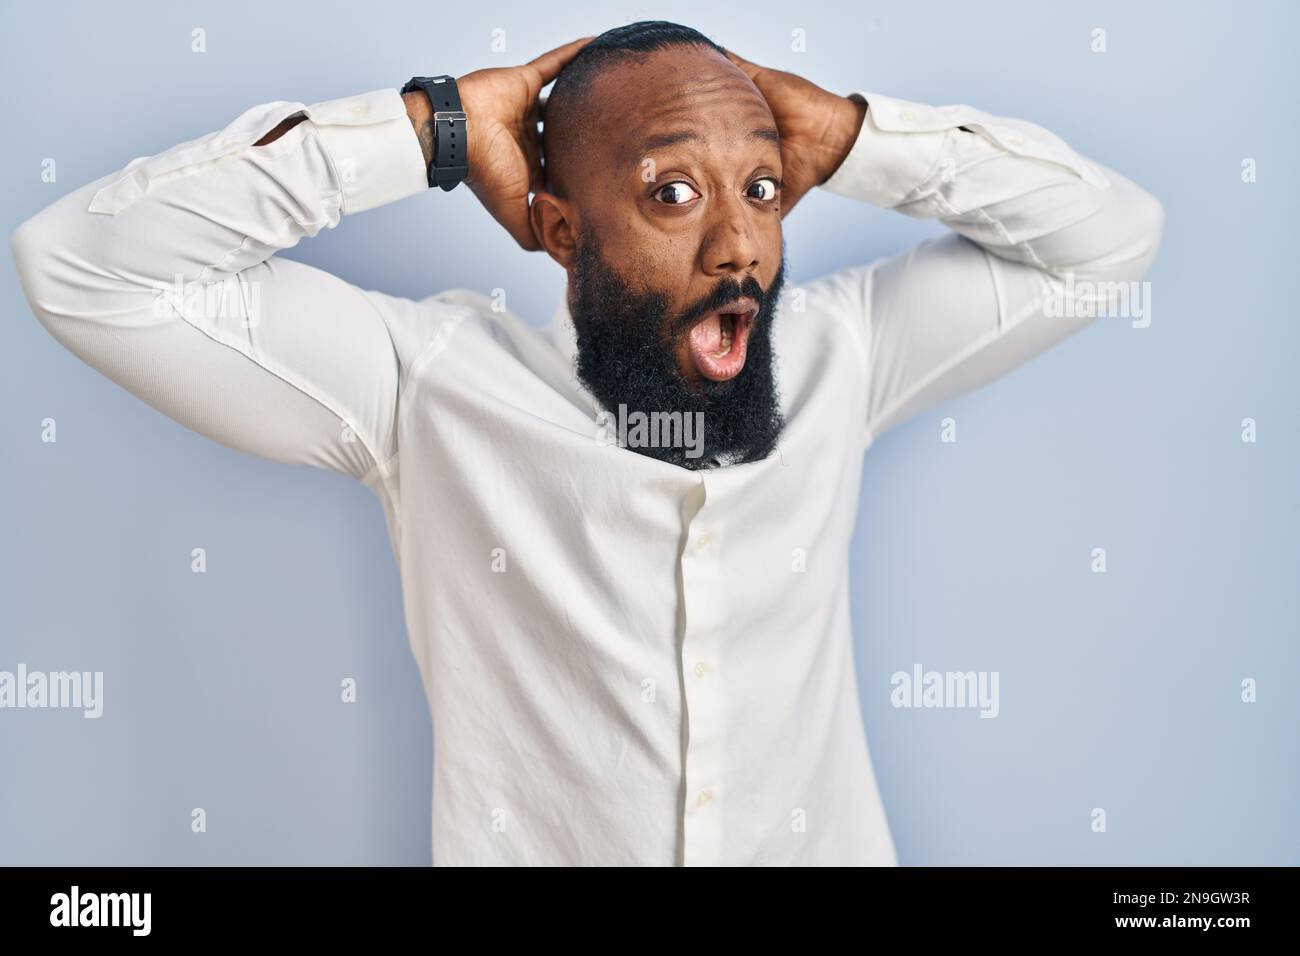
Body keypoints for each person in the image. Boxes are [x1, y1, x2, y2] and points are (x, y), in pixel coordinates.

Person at [10, 21, 1164, 865]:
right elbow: (80, 270)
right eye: (670, 192)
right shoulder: (426, 391)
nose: (738, 246)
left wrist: (859, 139)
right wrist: (434, 129)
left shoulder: (842, 349)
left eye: (760, 188)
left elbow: (1110, 243)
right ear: (561, 231)